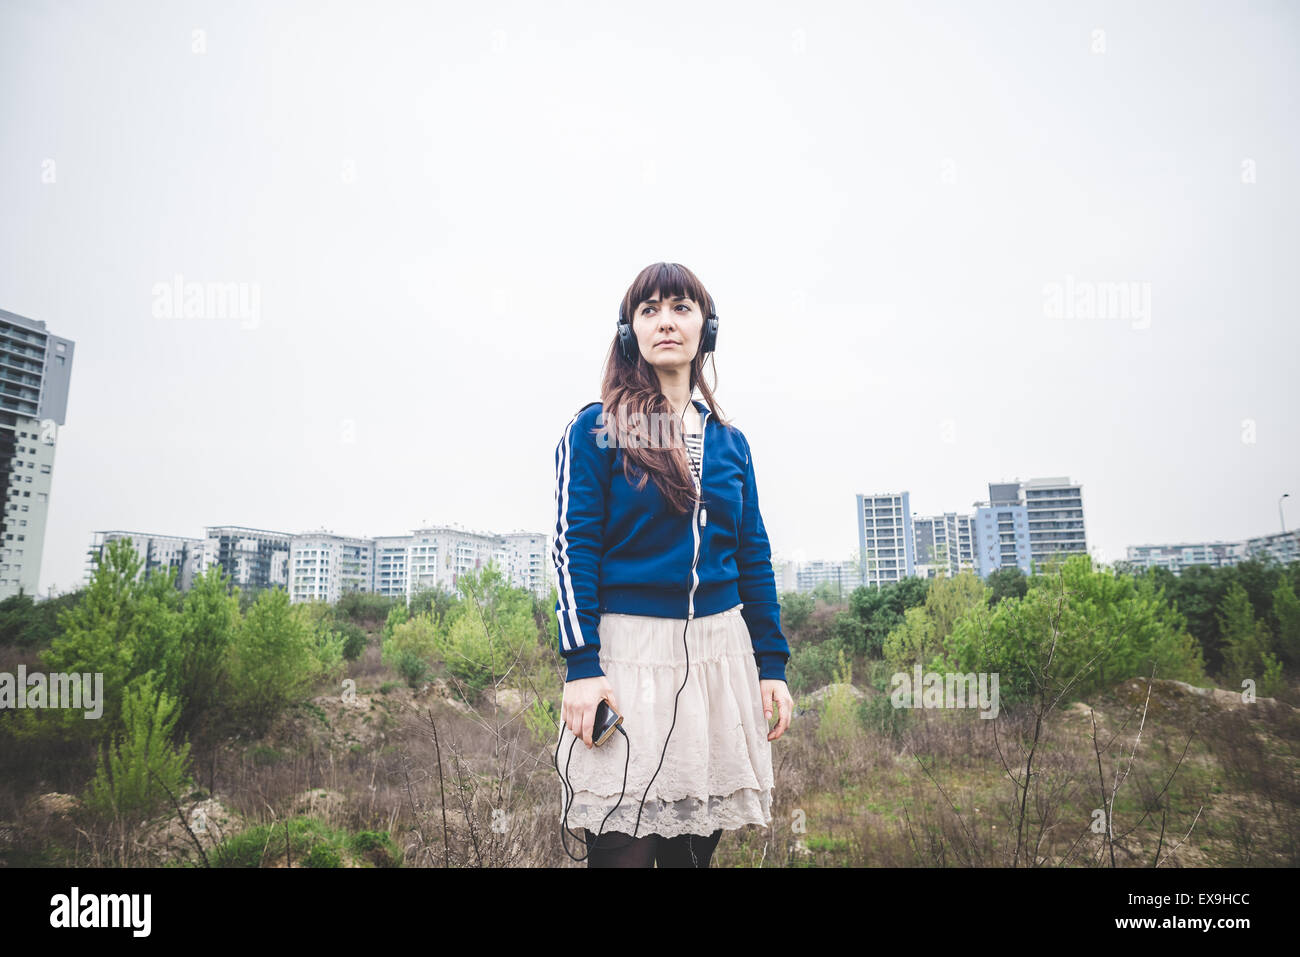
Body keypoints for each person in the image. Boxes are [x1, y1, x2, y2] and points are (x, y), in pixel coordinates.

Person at [551, 261, 794, 868]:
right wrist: (582, 665)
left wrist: (773, 665)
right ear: (630, 330)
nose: (666, 321)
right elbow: (571, 547)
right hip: (625, 659)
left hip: (718, 657)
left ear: (705, 330)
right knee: (621, 853)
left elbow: (753, 557)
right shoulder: (597, 429)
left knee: (690, 857)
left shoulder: (731, 444)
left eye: (682, 308)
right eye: (650, 309)